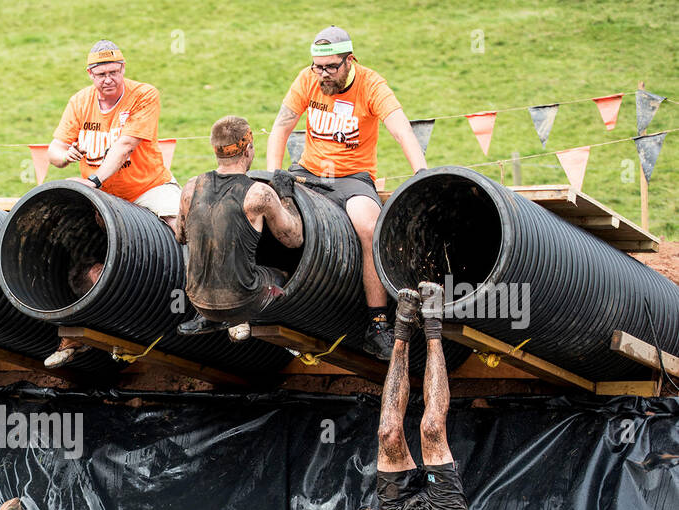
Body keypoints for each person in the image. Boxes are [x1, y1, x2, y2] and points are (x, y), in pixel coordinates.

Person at [183, 282, 536, 510]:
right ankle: (432, 324)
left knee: (388, 434)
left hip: (399, 506)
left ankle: (400, 331)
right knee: (430, 429)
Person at [265, 26, 427, 359]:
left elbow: (401, 129)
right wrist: (274, 175)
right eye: (317, 66)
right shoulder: (307, 79)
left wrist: (422, 174)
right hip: (308, 173)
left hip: (353, 178)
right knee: (264, 207)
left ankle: (378, 323)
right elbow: (281, 127)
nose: (322, 74)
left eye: (330, 67)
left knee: (370, 228)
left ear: (349, 60)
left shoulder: (372, 84)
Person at [173, 115, 305, 336]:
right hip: (243, 302)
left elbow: (180, 237)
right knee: (284, 274)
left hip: (199, 303)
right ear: (248, 150)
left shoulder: (191, 187)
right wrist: (285, 195)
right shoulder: (259, 194)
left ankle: (216, 318)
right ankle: (240, 318)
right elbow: (295, 239)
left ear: (216, 150)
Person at [48, 41, 179, 229]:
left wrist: (93, 181)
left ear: (123, 69)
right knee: (61, 227)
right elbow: (54, 150)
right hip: (100, 195)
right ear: (90, 74)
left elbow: (125, 146)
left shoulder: (144, 95)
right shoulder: (79, 102)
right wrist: (65, 156)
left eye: (113, 72)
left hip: (147, 189)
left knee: (180, 225)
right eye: (101, 74)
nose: (108, 79)